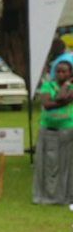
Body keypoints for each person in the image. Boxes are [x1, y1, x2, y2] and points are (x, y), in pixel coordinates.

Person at [34, 53, 73, 205]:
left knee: (67, 165)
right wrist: (64, 92)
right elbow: (47, 104)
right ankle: (46, 196)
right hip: (48, 130)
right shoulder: (47, 85)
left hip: (68, 130)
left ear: (70, 73)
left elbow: (57, 99)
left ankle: (66, 196)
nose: (60, 74)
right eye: (58, 71)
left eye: (64, 71)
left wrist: (65, 88)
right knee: (48, 165)